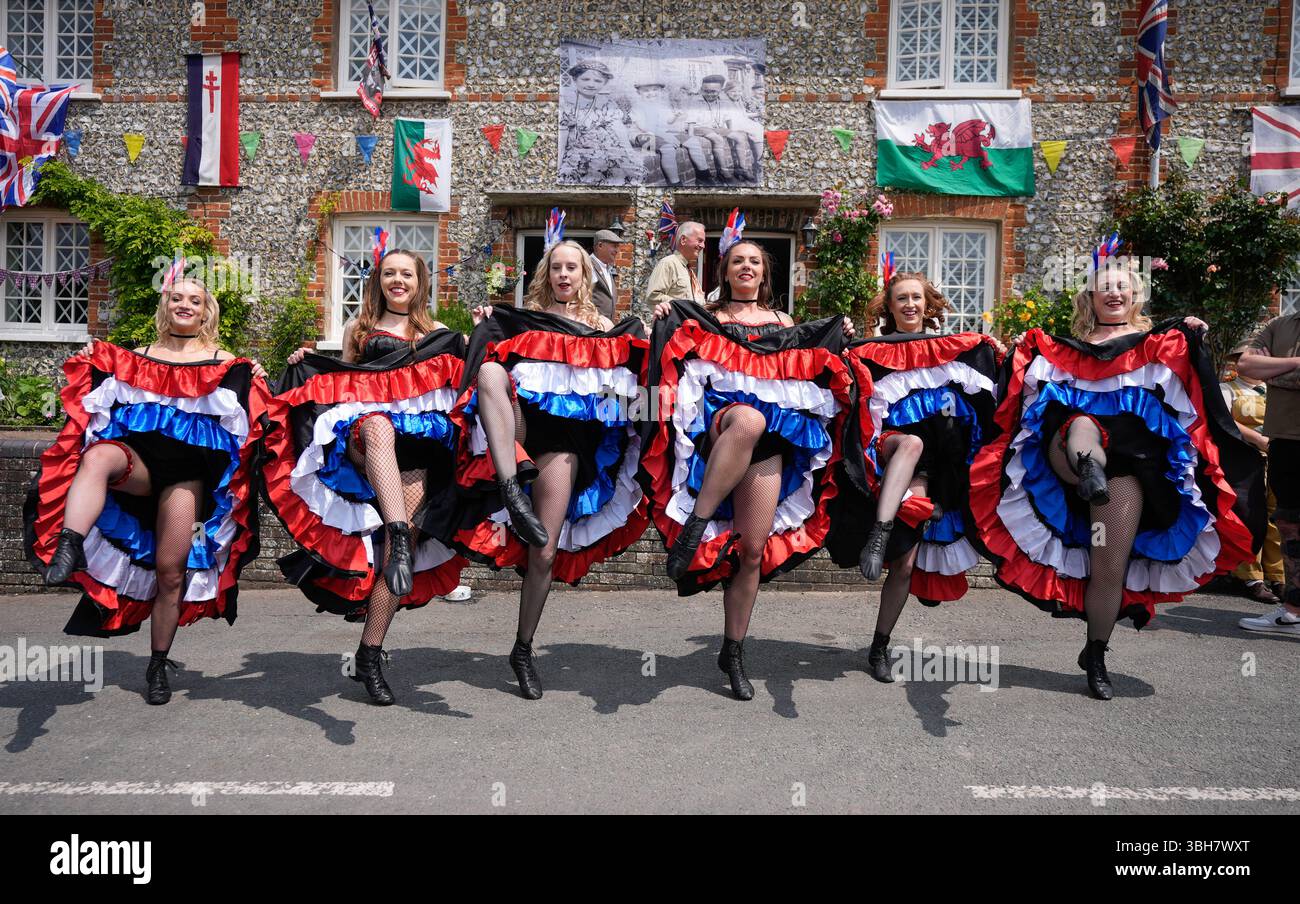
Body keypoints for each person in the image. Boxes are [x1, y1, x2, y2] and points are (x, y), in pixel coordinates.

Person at [970, 255, 1258, 699]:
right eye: (1104, 286)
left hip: (1124, 473)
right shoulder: (1061, 350)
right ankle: (1089, 469)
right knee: (1082, 424)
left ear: (1135, 295)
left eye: (1122, 286)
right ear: (1090, 297)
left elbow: (1202, 408)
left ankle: (1096, 652)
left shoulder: (1156, 348)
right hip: (1063, 459)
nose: (1114, 293)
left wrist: (1191, 332)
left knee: (1109, 566)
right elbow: (1018, 391)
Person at [25, 277, 270, 705]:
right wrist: (89, 357)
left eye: (195, 300)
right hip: (138, 467)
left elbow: (259, 414)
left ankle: (158, 663)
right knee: (98, 456)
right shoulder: (134, 359)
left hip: (185, 480)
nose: (185, 305)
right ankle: (70, 546)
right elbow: (93, 393)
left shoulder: (225, 363)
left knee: (170, 571)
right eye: (177, 297)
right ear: (166, 306)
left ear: (205, 311)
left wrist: (259, 376)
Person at [643, 238, 855, 700]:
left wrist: (844, 333)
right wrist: (663, 319)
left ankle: (733, 651)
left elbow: (815, 370)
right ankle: (695, 527)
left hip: (770, 444)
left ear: (764, 273)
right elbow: (669, 355)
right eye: (738, 260)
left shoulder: (785, 323)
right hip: (723, 425)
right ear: (725, 270)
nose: (746, 267)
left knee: (753, 550)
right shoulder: (709, 317)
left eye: (754, 261)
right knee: (749, 418)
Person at [266, 249, 466, 705]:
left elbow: (469, 376)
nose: (398, 281)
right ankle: (398, 534)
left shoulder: (438, 334)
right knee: (377, 425)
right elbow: (347, 381)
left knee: (400, 557)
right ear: (379, 281)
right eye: (390, 273)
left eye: (407, 274)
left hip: (414, 453)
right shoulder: (358, 330)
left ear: (420, 282)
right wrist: (307, 360)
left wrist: (485, 324)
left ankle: (370, 654)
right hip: (364, 440)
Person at [455, 238, 649, 700]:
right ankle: (508, 489)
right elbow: (479, 357)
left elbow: (640, 373)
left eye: (572, 269)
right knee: (489, 375)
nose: (564, 275)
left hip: (563, 444)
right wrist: (482, 327)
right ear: (546, 275)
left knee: (543, 550)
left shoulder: (604, 327)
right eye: (556, 268)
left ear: (585, 276)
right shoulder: (521, 320)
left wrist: (658, 322)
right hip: (520, 427)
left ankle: (522, 649)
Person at [828, 268, 1002, 683]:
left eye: (916, 298)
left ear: (928, 305)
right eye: (901, 298)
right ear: (889, 307)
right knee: (911, 443)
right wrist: (841, 334)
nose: (909, 304)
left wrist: (996, 351)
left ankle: (879, 646)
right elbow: (834, 375)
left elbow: (993, 391)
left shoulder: (957, 348)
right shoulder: (871, 349)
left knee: (904, 566)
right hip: (890, 453)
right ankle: (879, 534)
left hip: (938, 469)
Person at [1237, 307, 1300, 635]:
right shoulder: (1280, 324)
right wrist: (1294, 364)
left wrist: (1273, 371)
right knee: (1290, 524)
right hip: (1284, 441)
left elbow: (1261, 371)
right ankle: (1293, 612)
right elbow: (1246, 366)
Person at [1218, 343, 1284, 605]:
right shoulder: (1227, 389)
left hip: (1279, 459)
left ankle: (1279, 576)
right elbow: (1223, 420)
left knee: (1278, 516)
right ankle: (1250, 576)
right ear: (1238, 362)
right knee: (1249, 516)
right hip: (1246, 460)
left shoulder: (1277, 391)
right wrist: (1257, 438)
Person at [558, 58, 641, 185]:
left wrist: (630, 153)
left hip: (608, 149)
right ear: (575, 80)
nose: (591, 84)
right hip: (577, 151)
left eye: (598, 81)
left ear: (604, 83)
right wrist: (558, 163)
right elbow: (562, 135)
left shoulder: (607, 103)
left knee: (623, 173)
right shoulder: (567, 102)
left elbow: (619, 130)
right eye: (585, 79)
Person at [682, 74, 756, 183]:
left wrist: (731, 131)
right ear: (702, 89)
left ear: (720, 91)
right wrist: (690, 136)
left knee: (740, 137)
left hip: (716, 127)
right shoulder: (696, 101)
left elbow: (728, 118)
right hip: (701, 127)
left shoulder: (723, 101)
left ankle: (742, 169)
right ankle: (723, 172)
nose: (709, 94)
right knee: (718, 139)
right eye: (706, 91)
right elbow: (691, 121)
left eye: (713, 91)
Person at [628, 80, 685, 186]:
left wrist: (675, 116)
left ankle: (704, 175)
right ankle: (675, 183)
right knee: (667, 148)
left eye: (655, 90)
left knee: (691, 141)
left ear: (661, 91)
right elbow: (644, 127)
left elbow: (668, 121)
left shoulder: (661, 106)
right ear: (639, 93)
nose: (651, 93)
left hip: (658, 133)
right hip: (640, 135)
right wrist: (665, 136)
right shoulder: (638, 107)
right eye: (646, 91)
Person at [646, 221, 706, 306]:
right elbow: (652, 297)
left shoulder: (689, 271)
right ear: (683, 240)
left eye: (703, 242)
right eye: (700, 240)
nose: (703, 246)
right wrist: (686, 307)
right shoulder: (668, 264)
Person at [588, 228, 625, 321]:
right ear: (600, 245)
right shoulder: (588, 265)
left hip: (605, 329)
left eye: (618, 246)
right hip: (590, 328)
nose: (617, 250)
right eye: (614, 246)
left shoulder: (608, 268)